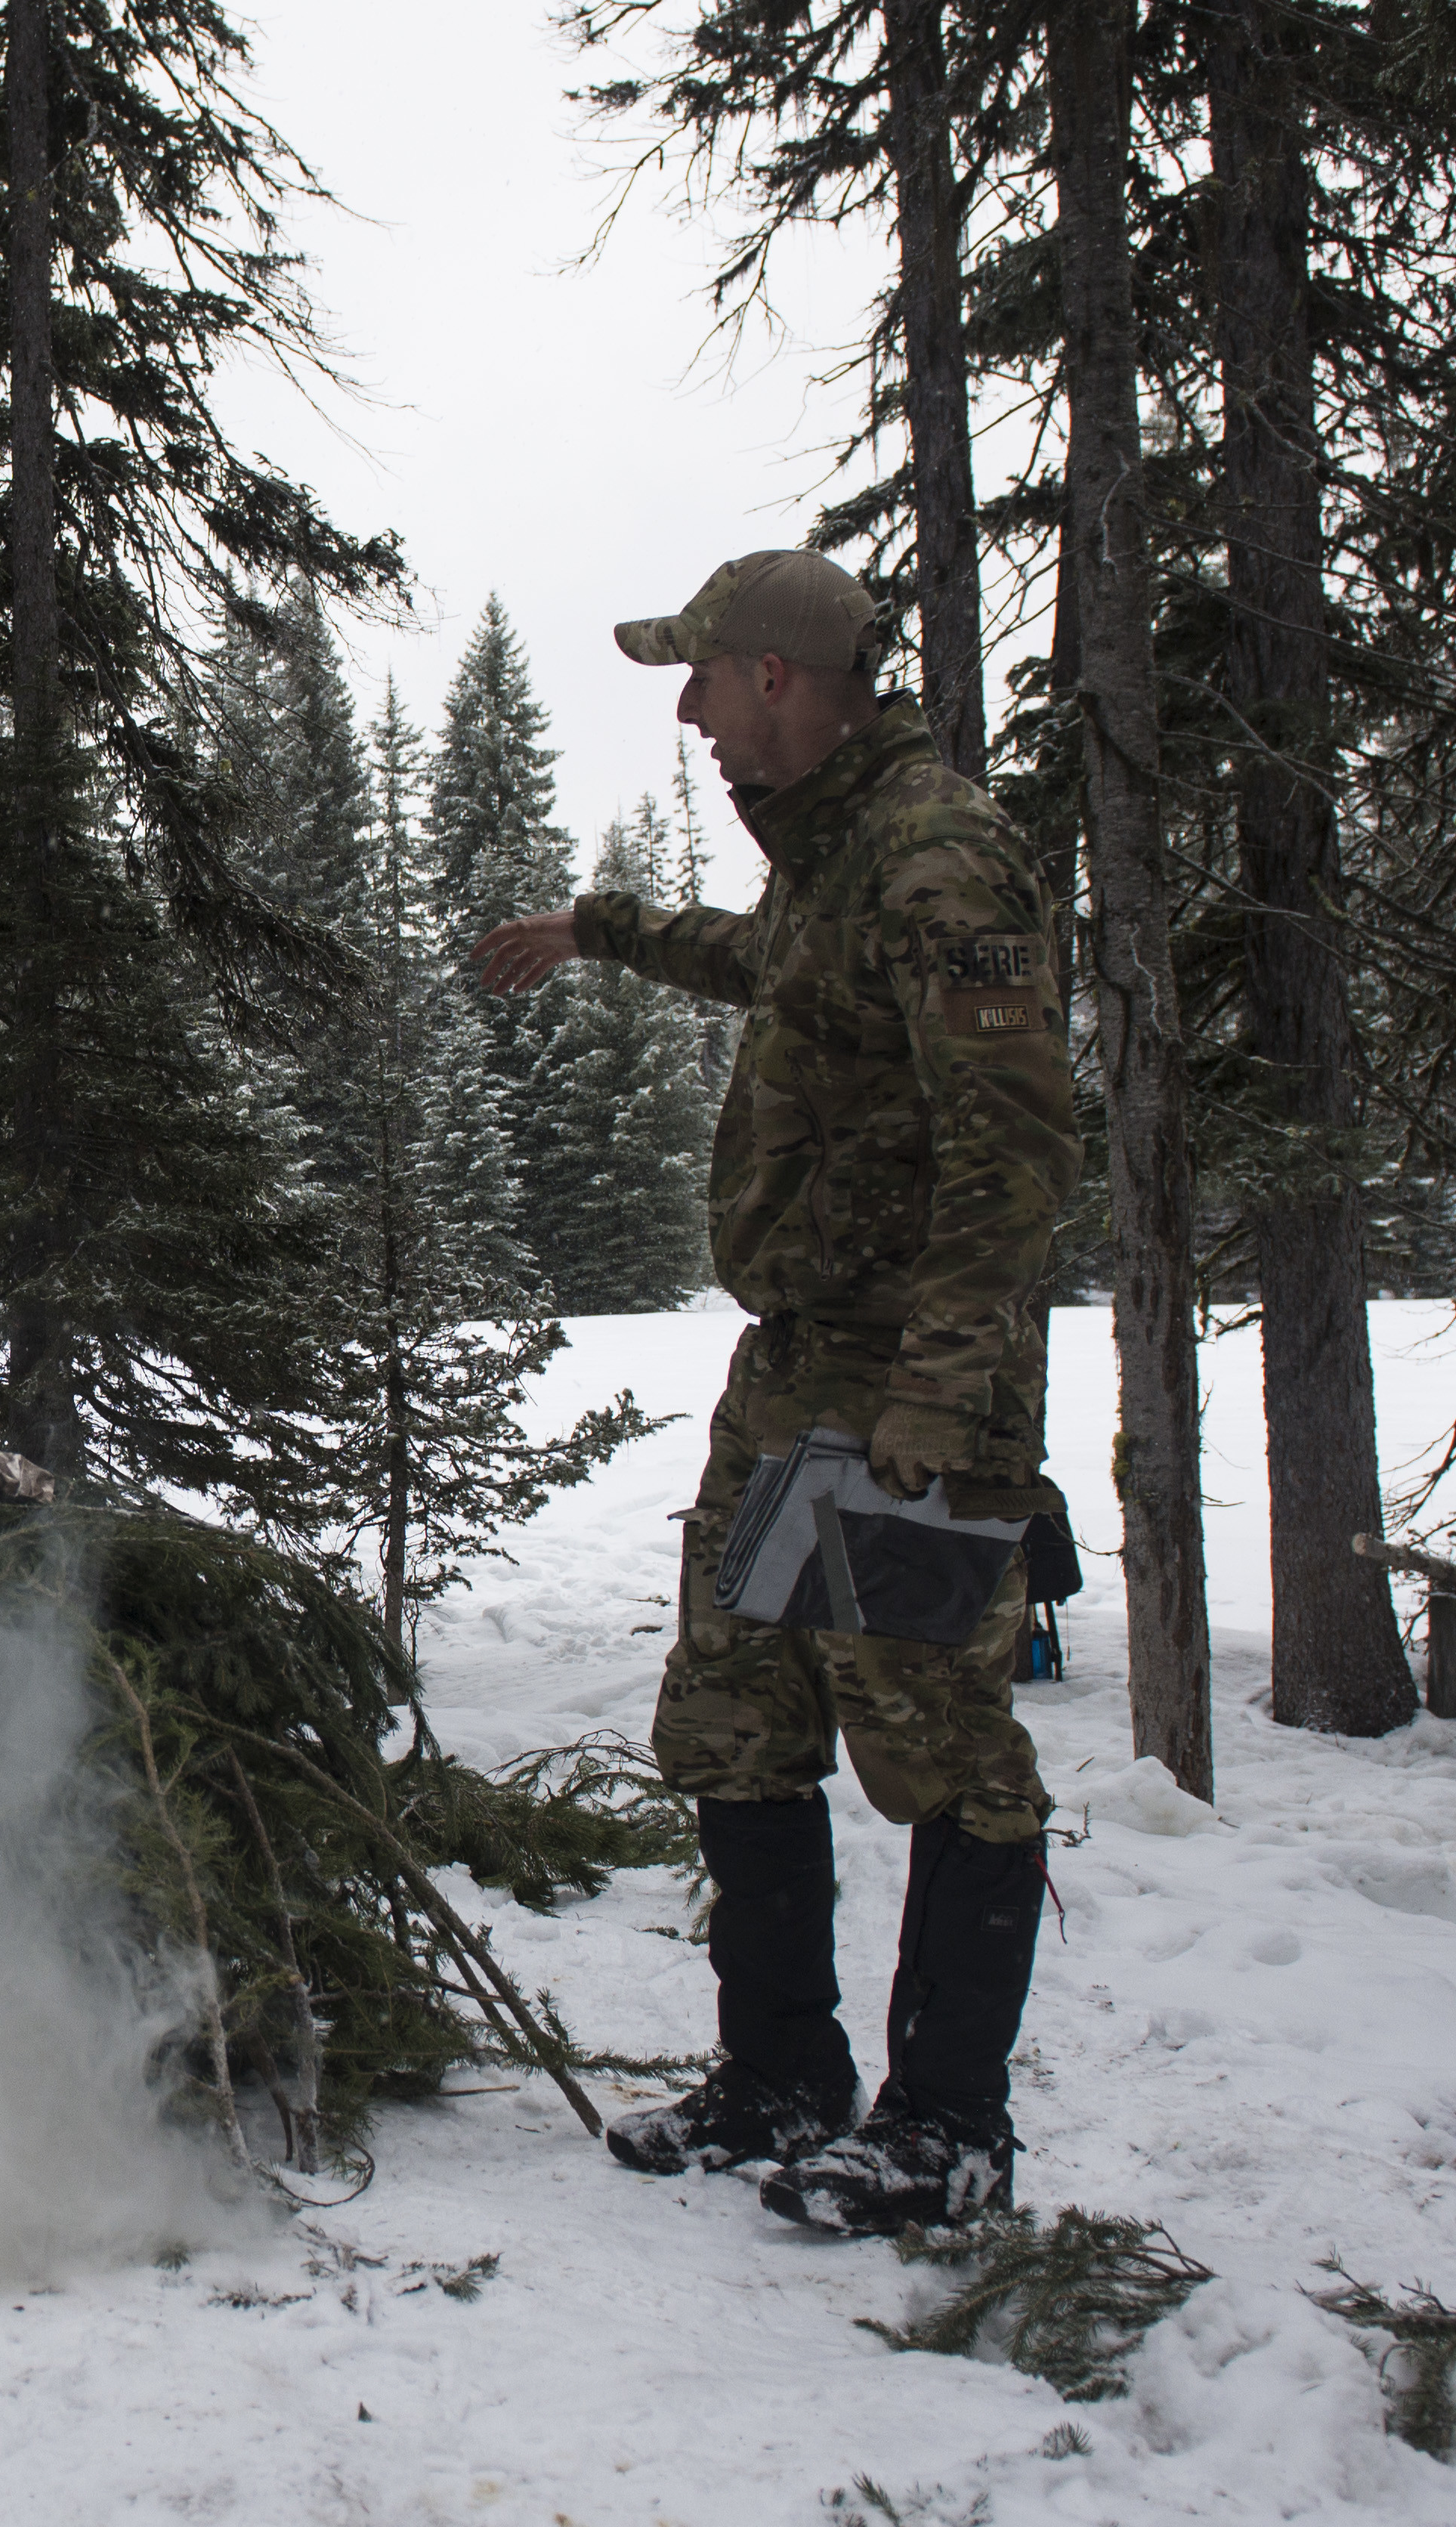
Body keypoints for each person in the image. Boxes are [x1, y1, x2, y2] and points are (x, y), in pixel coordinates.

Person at [471, 549, 1081, 2235]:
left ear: (775, 678)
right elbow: (775, 969)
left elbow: (1015, 1150)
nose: (685, 714)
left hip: (906, 1377)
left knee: (937, 1741)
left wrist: (942, 1402)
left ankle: (946, 2127)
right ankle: (778, 2079)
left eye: (699, 678)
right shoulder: (831, 862)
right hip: (792, 1368)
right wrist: (596, 928)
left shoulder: (936, 853)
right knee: (732, 1711)